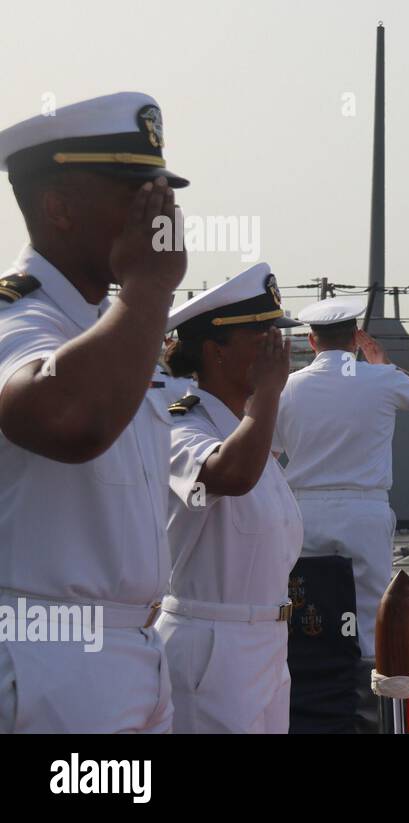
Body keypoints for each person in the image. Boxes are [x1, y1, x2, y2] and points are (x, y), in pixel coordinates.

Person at [0, 92, 188, 732]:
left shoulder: (119, 332)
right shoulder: (15, 314)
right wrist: (149, 288)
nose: (157, 216)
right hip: (50, 654)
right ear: (58, 208)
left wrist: (141, 301)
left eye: (163, 198)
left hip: (134, 650)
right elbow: (66, 420)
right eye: (137, 196)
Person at [157, 263, 303, 733]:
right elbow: (230, 475)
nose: (276, 349)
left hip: (265, 640)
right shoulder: (180, 423)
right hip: (212, 645)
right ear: (215, 350)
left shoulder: (244, 429)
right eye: (261, 337)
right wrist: (267, 396)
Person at [275, 296, 409, 660]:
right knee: (371, 615)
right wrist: (387, 366)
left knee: (305, 610)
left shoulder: (287, 388)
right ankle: (369, 703)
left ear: (311, 341)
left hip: (303, 511)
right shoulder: (382, 379)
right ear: (355, 337)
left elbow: (268, 456)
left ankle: (313, 693)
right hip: (364, 509)